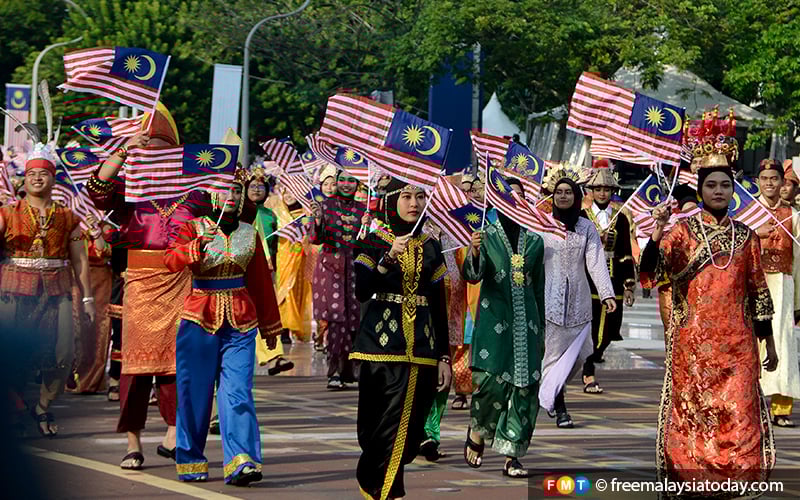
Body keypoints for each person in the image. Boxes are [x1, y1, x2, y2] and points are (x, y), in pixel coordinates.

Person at [641, 151, 778, 489]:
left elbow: (758, 290)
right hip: (693, 347)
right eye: (712, 185)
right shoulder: (682, 233)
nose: (718, 191)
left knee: (739, 415)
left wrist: (769, 342)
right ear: (701, 190)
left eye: (725, 186)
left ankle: (737, 480)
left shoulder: (746, 237)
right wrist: (657, 233)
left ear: (734, 191)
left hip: (738, 346)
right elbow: (652, 272)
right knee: (695, 416)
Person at [86, 103, 204, 469]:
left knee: (175, 365)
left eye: (157, 145)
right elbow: (97, 189)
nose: (150, 150)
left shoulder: (195, 191)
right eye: (145, 145)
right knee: (134, 369)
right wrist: (124, 150)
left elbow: (232, 213)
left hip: (181, 282)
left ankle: (173, 431)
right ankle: (133, 441)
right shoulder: (131, 189)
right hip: (139, 283)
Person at [164, 168, 282, 485]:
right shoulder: (194, 227)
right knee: (194, 393)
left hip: (241, 320)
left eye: (236, 190)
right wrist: (194, 248)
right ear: (211, 194)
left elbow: (260, 282)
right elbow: (170, 260)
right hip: (199, 316)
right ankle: (190, 459)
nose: (231, 195)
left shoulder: (249, 232)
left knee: (239, 391)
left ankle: (242, 460)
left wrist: (272, 328)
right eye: (224, 190)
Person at [351, 178, 450, 499]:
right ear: (392, 199)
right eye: (406, 196)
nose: (414, 204)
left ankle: (382, 487)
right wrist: (387, 259)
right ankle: (380, 488)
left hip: (422, 348)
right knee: (378, 425)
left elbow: (438, 303)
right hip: (380, 348)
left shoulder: (432, 245)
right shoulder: (374, 239)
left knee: (410, 432)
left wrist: (444, 356)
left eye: (420, 196)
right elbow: (362, 289)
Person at [0, 142, 96, 436]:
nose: (37, 179)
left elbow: (80, 260)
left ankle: (43, 404)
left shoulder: (69, 217)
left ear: (54, 179)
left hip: (57, 289)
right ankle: (13, 406)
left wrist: (89, 297)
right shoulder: (7, 212)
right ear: (24, 179)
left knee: (63, 352)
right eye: (31, 175)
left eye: (43, 174)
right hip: (13, 287)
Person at [460, 177, 546, 478]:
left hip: (528, 325)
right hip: (494, 323)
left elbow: (539, 288)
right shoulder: (485, 236)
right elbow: (473, 275)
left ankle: (512, 454)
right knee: (490, 384)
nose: (514, 200)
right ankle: (478, 429)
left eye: (519, 195)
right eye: (508, 196)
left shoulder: (536, 240)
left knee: (525, 388)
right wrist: (472, 251)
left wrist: (542, 330)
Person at [537, 170, 615, 429]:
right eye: (558, 192)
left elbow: (595, 261)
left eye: (568, 192)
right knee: (554, 356)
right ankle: (558, 406)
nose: (562, 196)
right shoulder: (542, 225)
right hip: (550, 302)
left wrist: (606, 293)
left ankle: (549, 392)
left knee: (582, 354)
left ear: (577, 196)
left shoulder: (586, 227)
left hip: (581, 303)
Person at [581, 160, 636, 394]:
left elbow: (625, 252)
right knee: (590, 326)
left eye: (607, 189)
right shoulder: (582, 217)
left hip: (614, 279)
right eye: (598, 189)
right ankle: (587, 370)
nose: (602, 193)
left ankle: (596, 354)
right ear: (591, 192)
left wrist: (629, 285)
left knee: (612, 326)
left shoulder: (620, 218)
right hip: (587, 279)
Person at [755, 159, 800, 427]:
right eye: (765, 179)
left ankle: (781, 408)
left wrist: (798, 301)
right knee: (752, 343)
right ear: (758, 182)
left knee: (783, 343)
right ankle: (752, 404)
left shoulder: (793, 216)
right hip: (755, 284)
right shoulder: (749, 212)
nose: (770, 183)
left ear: (783, 183)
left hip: (783, 285)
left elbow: (798, 258)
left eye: (774, 179)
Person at [310, 170, 365, 389]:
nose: (346, 184)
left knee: (355, 319)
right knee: (335, 318)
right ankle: (334, 371)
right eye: (342, 179)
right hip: (331, 267)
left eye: (352, 180)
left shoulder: (363, 209)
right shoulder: (325, 206)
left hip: (355, 267)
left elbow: (369, 242)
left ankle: (351, 371)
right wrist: (317, 220)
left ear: (358, 184)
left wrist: (369, 226)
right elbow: (315, 239)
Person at [69, 215, 113, 393]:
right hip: (76, 277)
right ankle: (72, 376)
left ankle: (92, 380)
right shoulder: (72, 223)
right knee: (75, 328)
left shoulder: (106, 226)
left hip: (100, 278)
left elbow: (105, 252)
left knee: (98, 328)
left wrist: (96, 232)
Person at [272, 181, 314, 342]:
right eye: (286, 192)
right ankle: (283, 329)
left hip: (302, 259)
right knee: (284, 292)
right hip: (283, 260)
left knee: (298, 293)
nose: (289, 196)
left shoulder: (306, 214)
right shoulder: (276, 212)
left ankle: (295, 329)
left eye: (293, 192)